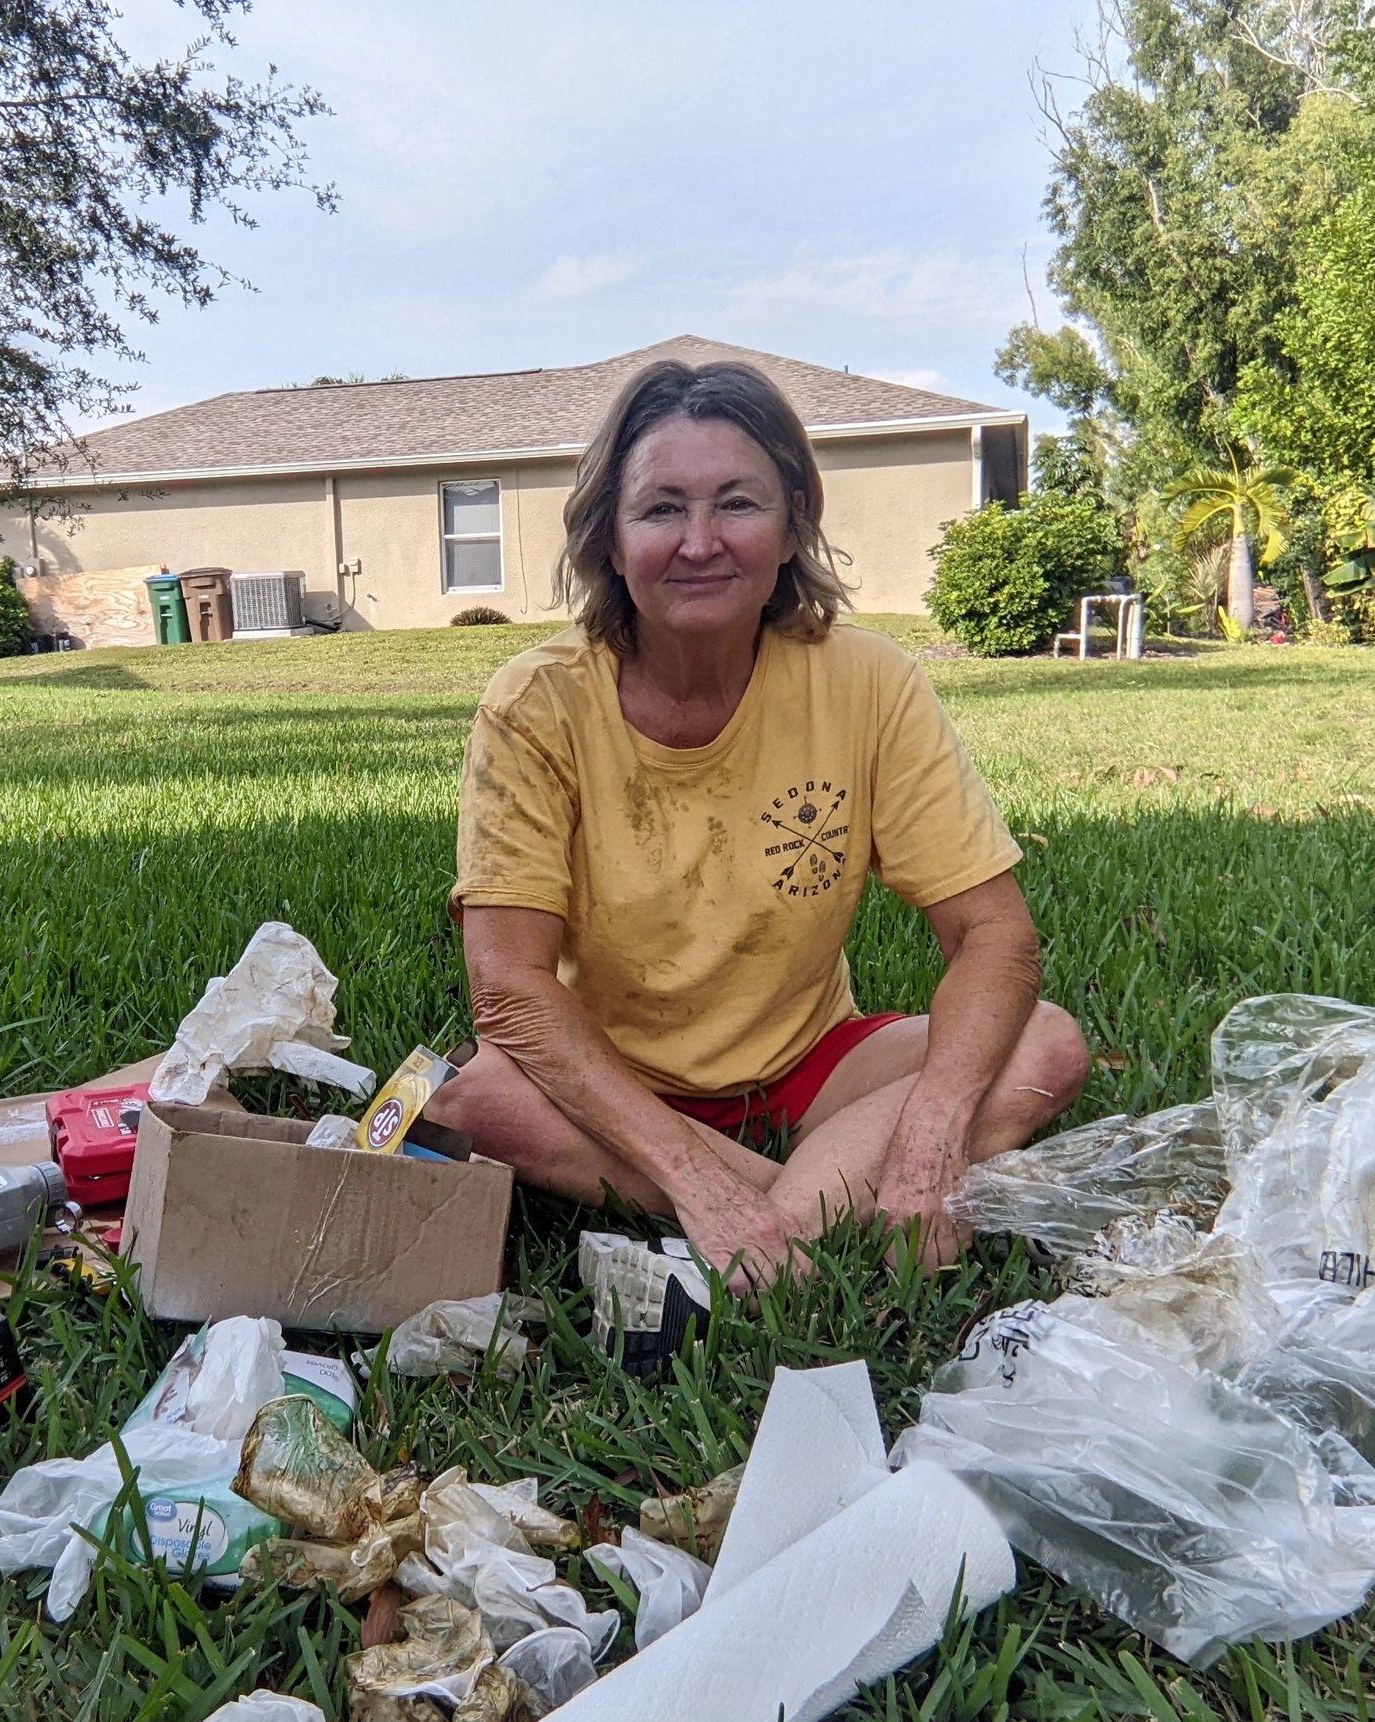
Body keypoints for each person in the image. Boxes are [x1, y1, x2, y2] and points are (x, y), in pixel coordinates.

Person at [430, 357, 1089, 1286]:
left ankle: (767, 1231)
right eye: (661, 509)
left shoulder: (868, 679)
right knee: (478, 1098)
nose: (701, 542)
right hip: (613, 1083)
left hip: (811, 1066)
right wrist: (695, 1171)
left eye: (737, 503)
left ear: (791, 527)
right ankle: (807, 1211)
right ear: (611, 543)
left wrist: (936, 1122)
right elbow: (508, 988)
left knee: (1045, 1042)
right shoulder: (535, 703)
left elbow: (995, 933)